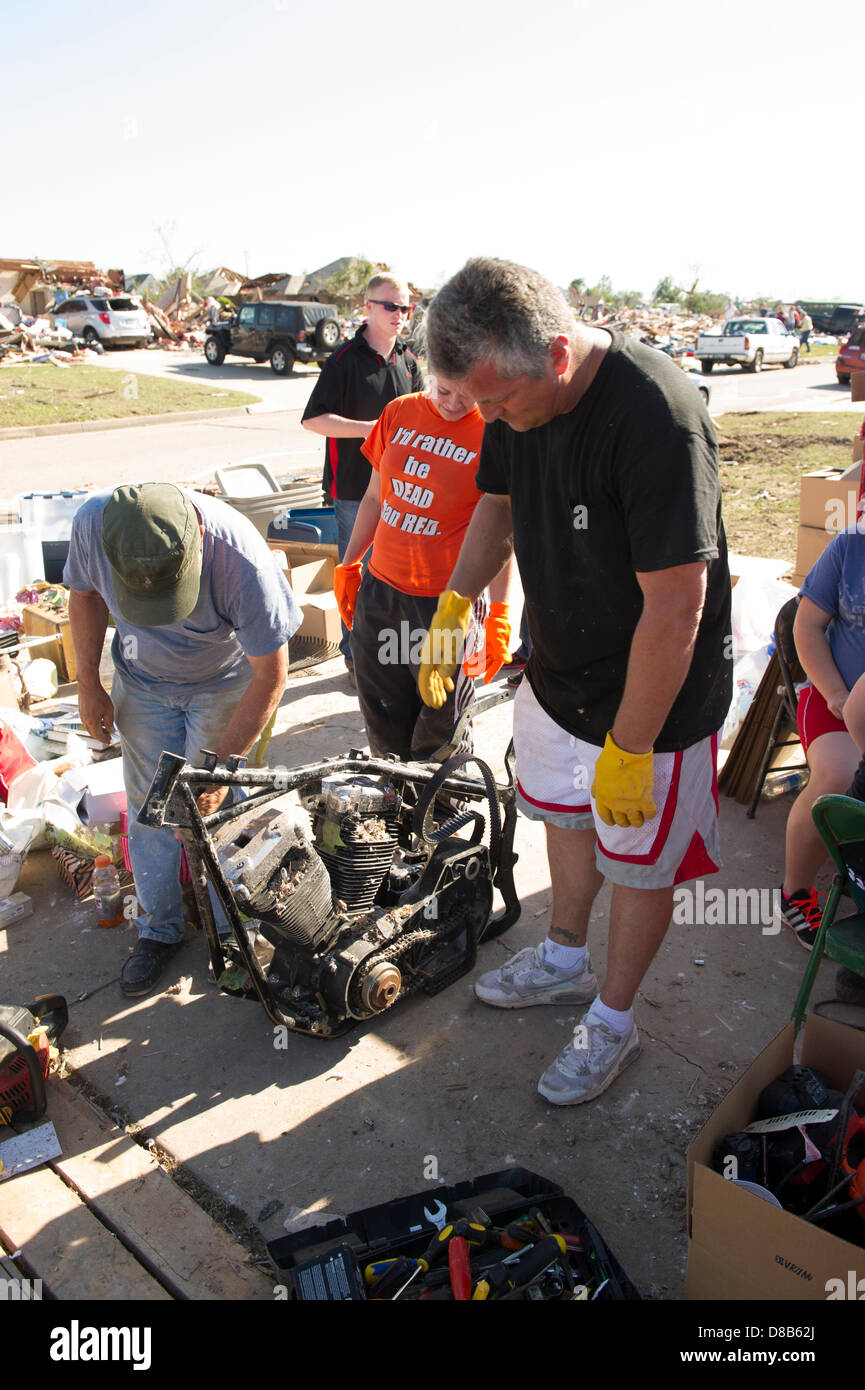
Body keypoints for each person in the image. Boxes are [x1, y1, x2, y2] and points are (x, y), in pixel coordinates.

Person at [418, 257, 732, 1106]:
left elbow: (677, 606)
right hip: (555, 676)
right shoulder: (510, 394)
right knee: (561, 820)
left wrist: (630, 747)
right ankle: (562, 956)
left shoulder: (655, 418)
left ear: (556, 355)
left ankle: (614, 1019)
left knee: (637, 864)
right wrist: (454, 604)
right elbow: (497, 502)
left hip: (651, 701)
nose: (488, 418)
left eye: (497, 402)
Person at [65, 483, 301, 997]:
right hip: (142, 684)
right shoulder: (92, 524)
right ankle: (159, 929)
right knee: (152, 807)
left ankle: (233, 931)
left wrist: (221, 766)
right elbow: (82, 597)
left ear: (195, 542)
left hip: (223, 684)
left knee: (217, 812)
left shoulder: (241, 558)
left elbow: (271, 675)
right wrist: (88, 682)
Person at [333, 376, 513, 761]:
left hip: (446, 606)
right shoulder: (399, 411)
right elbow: (373, 498)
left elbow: (500, 530)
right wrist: (348, 564)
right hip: (382, 597)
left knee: (441, 731)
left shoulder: (496, 429)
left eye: (468, 393)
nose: (453, 403)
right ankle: (391, 810)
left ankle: (443, 815)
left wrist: (499, 612)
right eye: (444, 390)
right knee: (383, 720)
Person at [301, 275, 424, 681]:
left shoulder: (409, 360)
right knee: (358, 574)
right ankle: (355, 658)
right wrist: (371, 429)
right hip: (355, 489)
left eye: (405, 307)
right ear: (367, 307)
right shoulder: (343, 361)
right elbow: (314, 420)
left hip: (408, 491)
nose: (400, 315)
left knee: (397, 578)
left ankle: (386, 656)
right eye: (391, 306)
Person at [777, 528, 865, 949]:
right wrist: (837, 694)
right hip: (835, 697)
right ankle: (796, 892)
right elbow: (807, 626)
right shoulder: (850, 545)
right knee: (836, 776)